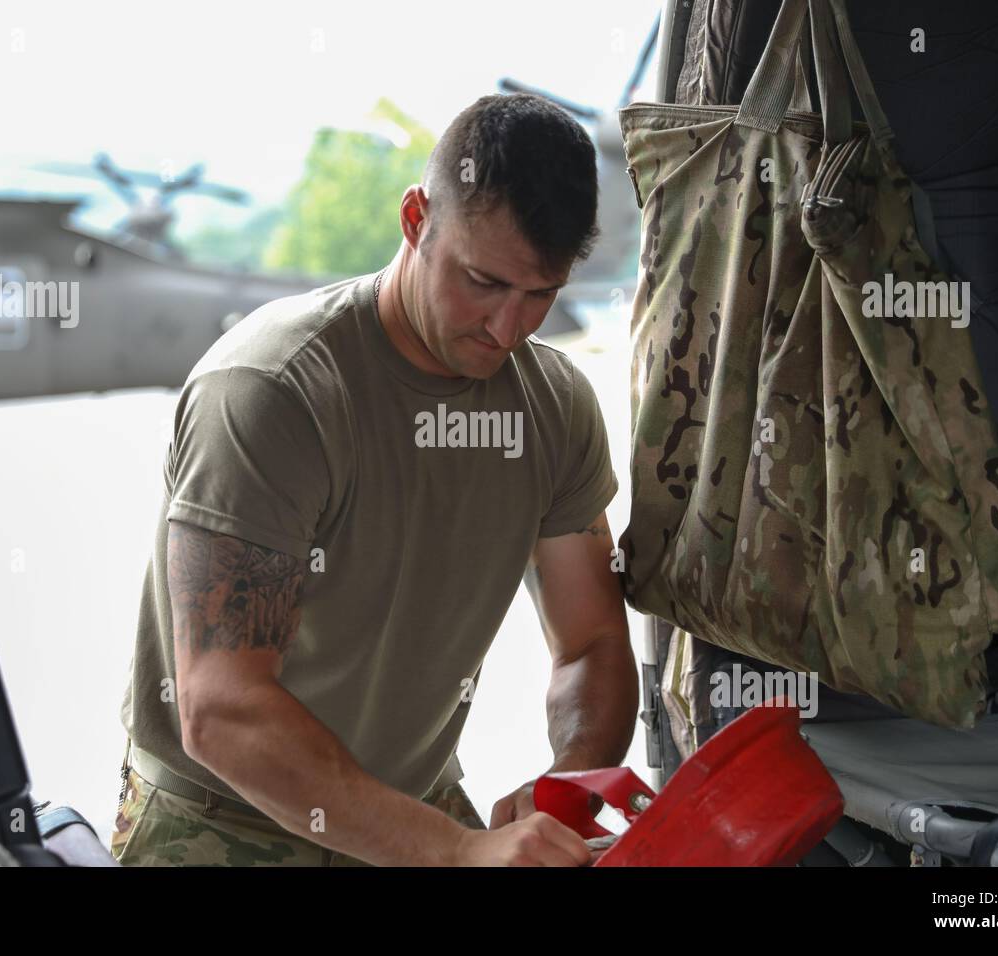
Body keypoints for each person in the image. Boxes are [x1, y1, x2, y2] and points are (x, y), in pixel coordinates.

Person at [114, 92, 638, 867]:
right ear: (416, 218)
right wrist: (459, 853)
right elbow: (222, 711)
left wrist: (566, 785)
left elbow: (591, 642)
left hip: (416, 804)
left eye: (541, 295)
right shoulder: (273, 391)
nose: (507, 328)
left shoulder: (553, 406)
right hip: (225, 824)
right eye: (484, 282)